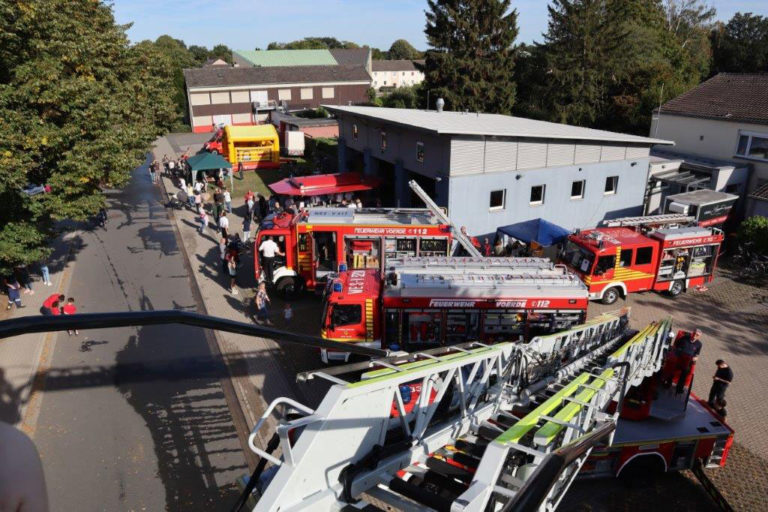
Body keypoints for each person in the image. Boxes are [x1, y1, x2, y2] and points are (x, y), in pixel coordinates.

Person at [673, 329, 703, 394]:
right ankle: (667, 382)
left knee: (684, 374)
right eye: (694, 333)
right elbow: (676, 344)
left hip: (688, 361)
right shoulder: (684, 338)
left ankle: (679, 389)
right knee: (672, 369)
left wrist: (695, 358)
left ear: (699, 337)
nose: (694, 336)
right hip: (679, 358)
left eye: (697, 335)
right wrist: (677, 352)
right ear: (692, 333)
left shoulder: (699, 344)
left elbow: (697, 354)